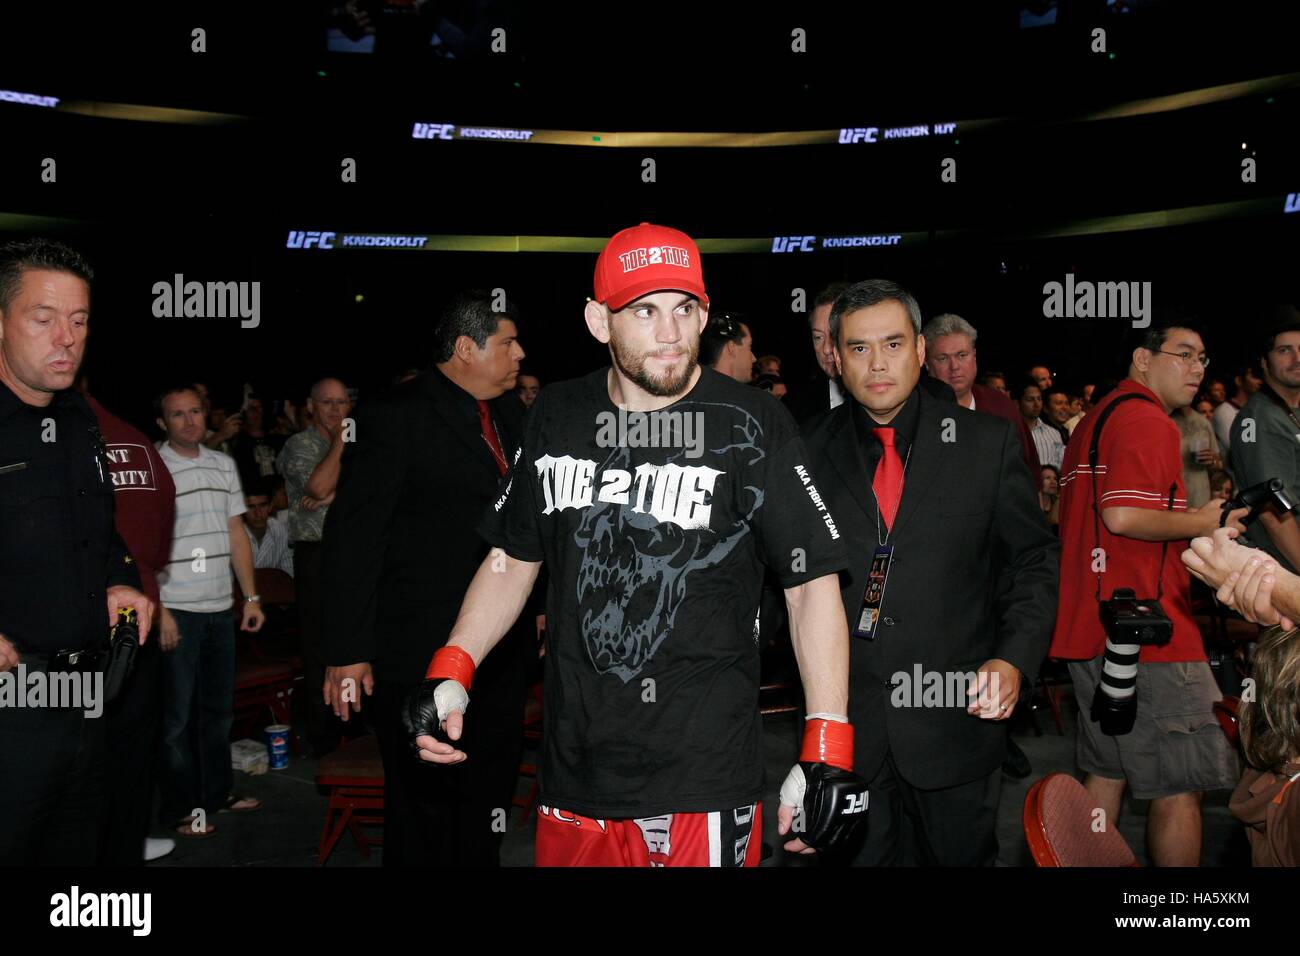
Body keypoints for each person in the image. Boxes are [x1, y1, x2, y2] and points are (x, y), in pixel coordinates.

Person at [406, 223, 868, 867]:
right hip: (577, 769)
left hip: (703, 773)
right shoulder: (558, 415)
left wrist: (826, 745)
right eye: (644, 311)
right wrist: (453, 666)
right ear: (599, 321)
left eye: (685, 309)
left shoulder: (751, 423)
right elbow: (511, 560)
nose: (671, 333)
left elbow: (810, 585)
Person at [800, 279, 1059, 865]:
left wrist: (1014, 656)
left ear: (920, 350)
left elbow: (1034, 559)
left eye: (892, 344)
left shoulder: (984, 445)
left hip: (957, 720)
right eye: (859, 348)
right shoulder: (804, 451)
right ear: (835, 358)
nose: (878, 362)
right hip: (850, 731)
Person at [320, 290, 534, 867]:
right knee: (422, 797)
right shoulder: (395, 415)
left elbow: (525, 528)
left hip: (500, 648)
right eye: (508, 342)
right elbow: (354, 537)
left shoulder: (513, 416)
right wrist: (348, 650)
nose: (520, 354)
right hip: (417, 643)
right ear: (466, 348)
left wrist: (537, 606)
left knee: (489, 783)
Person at [1051, 320, 1247, 866]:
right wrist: (1203, 520)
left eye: (1203, 358)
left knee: (1108, 771)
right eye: (1183, 354)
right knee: (1179, 784)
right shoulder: (1145, 419)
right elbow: (1123, 515)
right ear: (1143, 358)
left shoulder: (1096, 418)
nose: (1196, 368)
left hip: (1092, 627)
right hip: (1147, 632)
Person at [0, 238, 155, 866]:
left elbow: (98, 529)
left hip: (87, 694)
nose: (66, 337)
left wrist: (119, 578)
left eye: (80, 320)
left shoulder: (77, 419)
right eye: (43, 318)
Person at [155, 384, 266, 838]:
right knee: (175, 720)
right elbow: (141, 544)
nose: (189, 421)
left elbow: (236, 532)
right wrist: (157, 609)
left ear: (207, 415)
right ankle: (181, 810)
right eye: (177, 414)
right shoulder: (154, 468)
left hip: (221, 607)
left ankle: (218, 794)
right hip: (175, 608)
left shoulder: (223, 465)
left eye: (195, 411)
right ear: (162, 424)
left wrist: (252, 597)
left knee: (217, 713)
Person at [84, 386, 178, 865]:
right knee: (132, 749)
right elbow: (162, 545)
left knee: (82, 756)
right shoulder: (138, 443)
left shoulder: (55, 438)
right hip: (138, 616)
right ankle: (127, 845)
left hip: (77, 626)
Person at [277, 376, 351, 756]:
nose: (337, 410)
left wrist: (339, 495)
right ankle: (322, 735)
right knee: (319, 646)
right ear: (311, 406)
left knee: (354, 640)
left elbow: (373, 492)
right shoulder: (299, 445)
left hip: (354, 552)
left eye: (342, 402)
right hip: (317, 555)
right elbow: (318, 489)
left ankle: (355, 727)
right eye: (327, 403)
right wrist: (341, 442)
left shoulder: (363, 444)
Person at [921, 313, 1040, 476]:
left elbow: (1028, 472)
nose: (954, 366)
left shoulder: (1001, 406)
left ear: (974, 356)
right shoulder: (915, 410)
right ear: (926, 363)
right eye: (942, 358)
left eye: (962, 355)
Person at [1229, 309, 1300, 573]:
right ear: (1263, 361)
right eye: (1284, 351)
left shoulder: (1288, 410)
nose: (1297, 358)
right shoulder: (1259, 419)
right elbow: (1273, 513)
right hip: (1286, 573)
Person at [785, 281, 851, 424]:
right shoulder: (792, 408)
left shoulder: (886, 399)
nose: (827, 349)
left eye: (834, 334)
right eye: (818, 337)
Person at [241, 478, 294, 577]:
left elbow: (288, 575)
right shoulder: (230, 536)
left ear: (270, 506)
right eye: (251, 507)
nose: (258, 513)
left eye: (263, 505)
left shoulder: (281, 531)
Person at [1175, 403, 1222, 509]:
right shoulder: (1163, 420)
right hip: (1173, 499)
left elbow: (1219, 464)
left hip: (1200, 498)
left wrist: (1212, 461)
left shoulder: (1202, 423)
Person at [1213, 364, 1262, 453]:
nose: (1260, 382)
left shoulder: (1257, 410)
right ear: (1239, 381)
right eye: (1254, 377)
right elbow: (1240, 449)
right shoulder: (1224, 412)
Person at [1018, 380, 1064, 469]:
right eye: (1030, 399)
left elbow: (1062, 466)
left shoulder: (1054, 433)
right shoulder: (1011, 432)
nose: (1036, 404)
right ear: (1017, 403)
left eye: (1039, 399)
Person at [699, 313, 755, 383]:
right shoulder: (753, 393)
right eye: (749, 346)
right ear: (731, 348)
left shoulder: (696, 390)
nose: (754, 359)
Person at [1040, 464, 1060, 531]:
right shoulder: (1032, 506)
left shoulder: (1059, 503)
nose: (1053, 482)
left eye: (1055, 478)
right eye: (1047, 478)